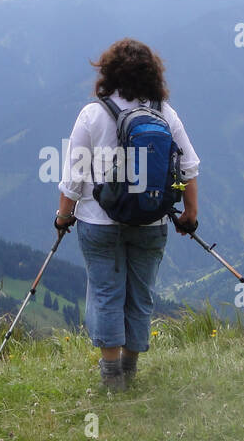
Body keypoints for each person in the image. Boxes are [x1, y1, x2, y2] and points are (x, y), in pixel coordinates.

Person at [55, 38, 200, 388]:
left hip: (98, 222)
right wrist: (189, 215)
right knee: (140, 293)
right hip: (151, 220)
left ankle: (111, 378)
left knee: (106, 293)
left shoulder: (93, 114)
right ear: (153, 74)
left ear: (109, 72)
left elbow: (73, 177)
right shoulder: (164, 113)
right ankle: (131, 370)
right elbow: (189, 168)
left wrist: (63, 218)